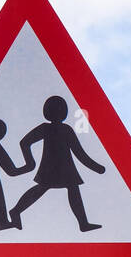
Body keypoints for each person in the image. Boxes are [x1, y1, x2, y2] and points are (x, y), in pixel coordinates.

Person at [8, 96, 105, 232]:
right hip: (53, 167)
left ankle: (83, 223)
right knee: (47, 189)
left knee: (69, 189)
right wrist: (30, 162)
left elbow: (79, 153)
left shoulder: (62, 129)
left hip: (64, 167)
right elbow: (25, 142)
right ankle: (16, 211)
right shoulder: (53, 129)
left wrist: (96, 167)